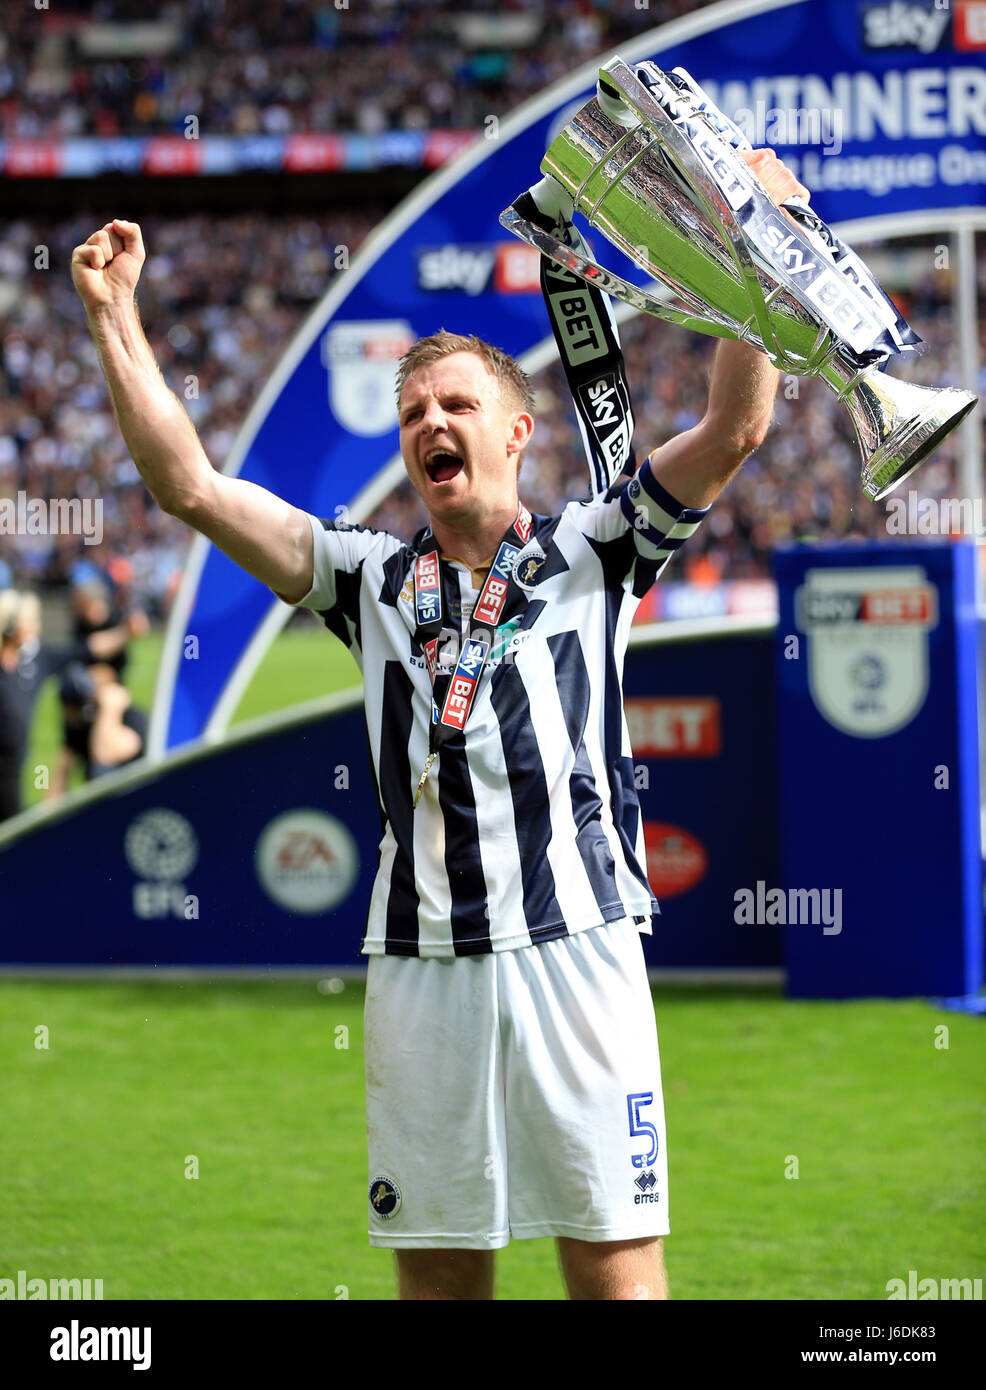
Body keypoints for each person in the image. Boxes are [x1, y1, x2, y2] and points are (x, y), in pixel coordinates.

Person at [71, 147, 805, 1299]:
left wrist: (758, 241)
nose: (430, 422)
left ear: (516, 432)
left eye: (458, 404)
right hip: (421, 968)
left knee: (616, 1274)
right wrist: (114, 315)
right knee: (439, 1284)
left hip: (578, 947)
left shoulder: (596, 548)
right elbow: (191, 488)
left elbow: (731, 430)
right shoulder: (364, 577)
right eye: (414, 412)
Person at [0, 590, 142, 823]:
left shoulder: (34, 660)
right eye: (29, 621)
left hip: (11, 769)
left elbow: (89, 648)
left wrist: (124, 632)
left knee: (10, 829)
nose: (35, 627)